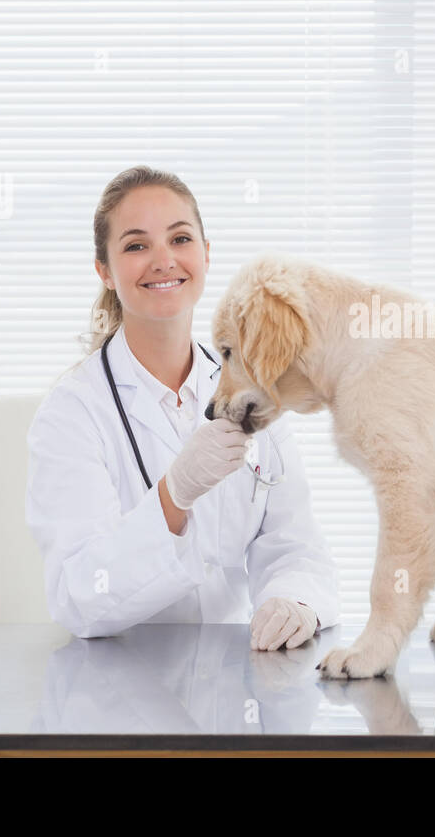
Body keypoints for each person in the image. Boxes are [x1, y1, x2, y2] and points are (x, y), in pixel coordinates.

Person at [25, 165, 339, 651]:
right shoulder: (72, 413)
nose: (163, 260)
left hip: (240, 677)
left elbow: (293, 544)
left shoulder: (251, 387)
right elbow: (81, 596)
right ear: (104, 270)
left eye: (180, 239)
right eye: (136, 246)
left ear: (206, 254)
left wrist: (293, 600)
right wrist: (174, 495)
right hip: (119, 682)